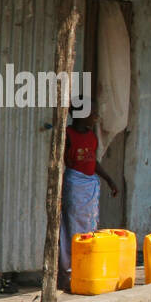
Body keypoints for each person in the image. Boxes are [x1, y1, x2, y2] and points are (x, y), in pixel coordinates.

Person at [60, 106, 119, 291]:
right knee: (74, 228)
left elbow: (93, 162)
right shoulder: (68, 134)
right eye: (93, 113)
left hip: (88, 185)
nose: (96, 117)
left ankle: (86, 267)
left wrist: (109, 180)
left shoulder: (91, 136)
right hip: (75, 184)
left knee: (88, 228)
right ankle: (70, 271)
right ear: (81, 114)